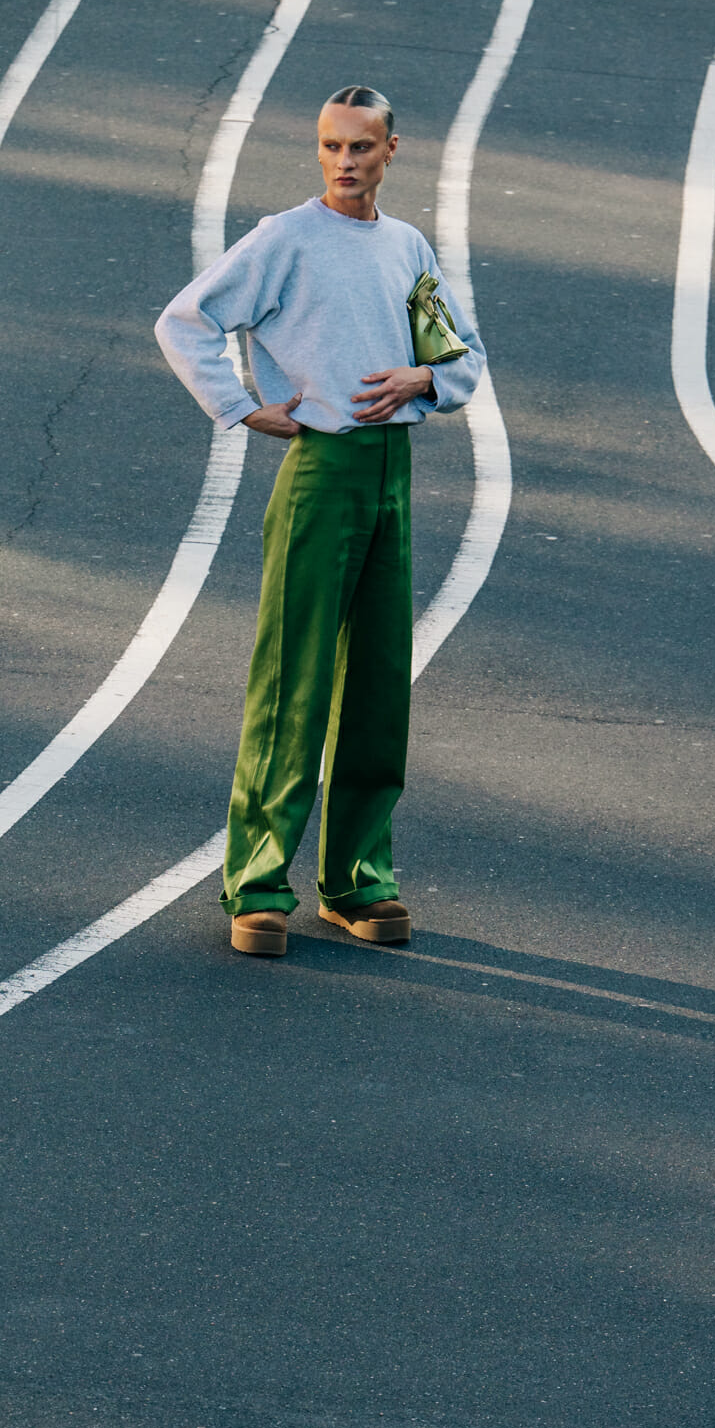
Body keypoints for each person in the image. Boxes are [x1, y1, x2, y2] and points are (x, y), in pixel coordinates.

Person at [154, 87, 483, 955]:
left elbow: (462, 357)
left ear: (391, 151)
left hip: (392, 475)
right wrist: (241, 405)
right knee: (291, 683)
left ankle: (357, 881)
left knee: (378, 689)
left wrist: (426, 381)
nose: (345, 162)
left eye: (362, 148)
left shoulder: (407, 246)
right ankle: (257, 885)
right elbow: (186, 322)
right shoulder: (285, 239)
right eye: (331, 146)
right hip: (323, 471)